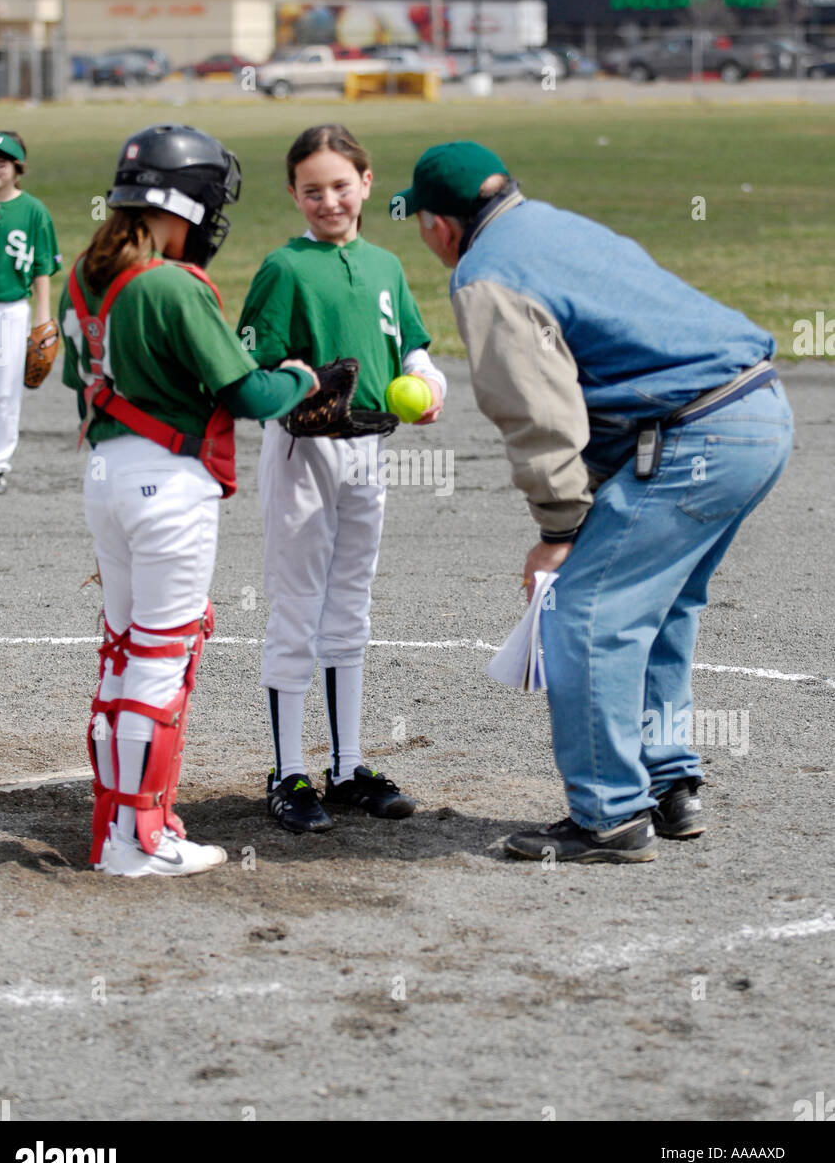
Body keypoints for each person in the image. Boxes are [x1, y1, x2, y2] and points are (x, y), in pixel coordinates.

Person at [394, 140, 793, 865]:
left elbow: (539, 416)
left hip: (698, 435)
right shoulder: (555, 224)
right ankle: (668, 785)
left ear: (439, 225)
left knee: (587, 615)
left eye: (420, 222)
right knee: (661, 607)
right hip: (758, 410)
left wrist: (561, 530)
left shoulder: (485, 277)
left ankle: (608, 815)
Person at [59, 124, 317, 877]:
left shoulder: (86, 275)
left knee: (123, 654)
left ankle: (120, 826)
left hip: (105, 476)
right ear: (188, 203)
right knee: (162, 659)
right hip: (167, 484)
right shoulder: (170, 283)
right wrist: (303, 378)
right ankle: (135, 844)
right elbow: (246, 391)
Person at [237, 123, 447, 832]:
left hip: (369, 450)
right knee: (298, 604)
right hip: (303, 452)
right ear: (295, 195)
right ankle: (288, 771)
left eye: (339, 184)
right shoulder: (284, 268)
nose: (328, 200)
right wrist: (293, 385)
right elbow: (251, 370)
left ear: (366, 182)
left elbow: (410, 343)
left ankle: (349, 764)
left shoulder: (385, 264)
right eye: (311, 189)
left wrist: (424, 374)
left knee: (350, 603)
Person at [0, 131, 61, 494]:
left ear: (16, 168)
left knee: (3, 393)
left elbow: (41, 266)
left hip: (10, 311)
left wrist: (43, 315)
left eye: (0, 163)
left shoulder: (34, 210)